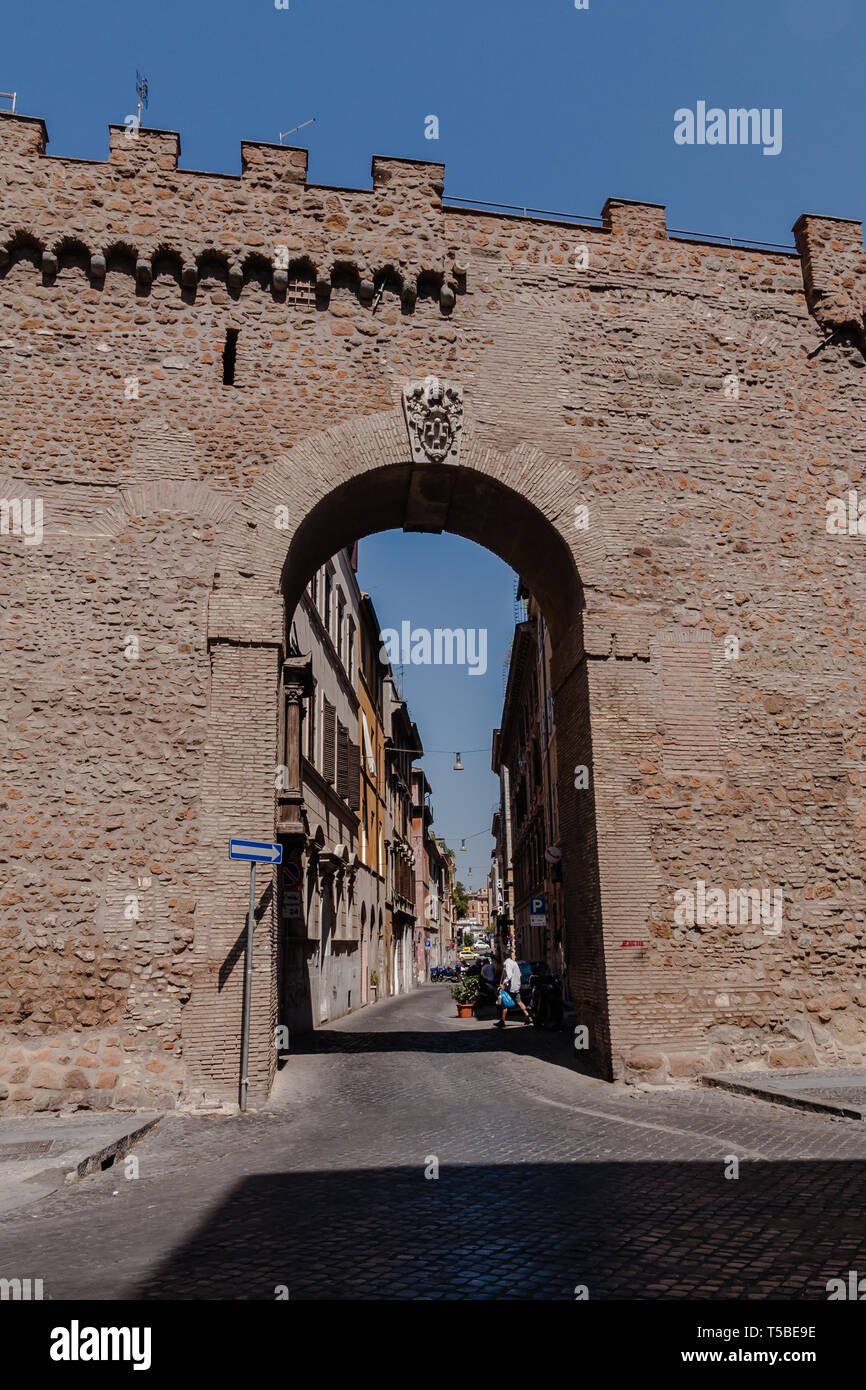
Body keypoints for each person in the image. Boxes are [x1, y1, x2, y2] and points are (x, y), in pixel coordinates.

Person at [495, 952, 531, 1027]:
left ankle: (502, 1021)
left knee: (504, 1003)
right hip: (516, 986)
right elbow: (519, 974)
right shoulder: (514, 963)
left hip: (510, 987)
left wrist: (503, 984)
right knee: (519, 1001)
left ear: (503, 957)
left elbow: (509, 975)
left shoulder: (507, 964)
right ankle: (527, 1016)